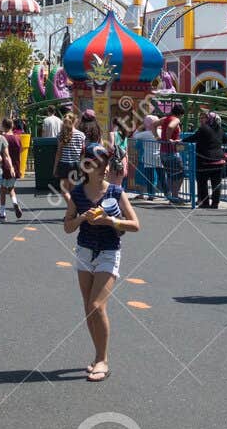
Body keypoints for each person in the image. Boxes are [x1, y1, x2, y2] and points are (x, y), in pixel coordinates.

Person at [62, 145, 140, 382]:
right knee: (88, 308)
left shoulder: (115, 192)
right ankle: (97, 357)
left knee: (97, 305)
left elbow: (135, 224)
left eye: (105, 162)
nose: (104, 167)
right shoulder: (77, 194)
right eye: (98, 163)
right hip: (84, 251)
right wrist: (81, 218)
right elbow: (67, 227)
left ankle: (103, 360)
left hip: (108, 251)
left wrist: (111, 221)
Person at [186, 109, 226, 209]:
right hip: (219, 160)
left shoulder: (204, 129)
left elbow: (193, 138)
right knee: (216, 183)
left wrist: (180, 140)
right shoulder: (220, 129)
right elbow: (226, 140)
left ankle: (205, 202)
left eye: (203, 118)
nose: (201, 120)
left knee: (202, 182)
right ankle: (215, 203)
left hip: (204, 160)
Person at [54, 114, 87, 195]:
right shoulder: (81, 135)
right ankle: (72, 206)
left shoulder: (60, 135)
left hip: (63, 164)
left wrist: (55, 168)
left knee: (64, 191)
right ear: (75, 121)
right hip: (76, 164)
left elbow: (58, 153)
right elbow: (83, 153)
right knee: (73, 191)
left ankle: (70, 206)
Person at [158, 107, 185, 204]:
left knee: (170, 174)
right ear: (180, 114)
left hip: (163, 151)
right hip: (171, 151)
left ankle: (171, 196)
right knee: (180, 173)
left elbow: (153, 125)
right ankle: (175, 196)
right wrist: (170, 140)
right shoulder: (176, 119)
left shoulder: (165, 118)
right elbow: (170, 127)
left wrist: (158, 137)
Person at [2, 119, 25, 218]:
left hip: (4, 165)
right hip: (15, 166)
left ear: (3, 126)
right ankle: (15, 202)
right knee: (11, 188)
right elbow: (20, 153)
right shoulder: (17, 138)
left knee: (3, 189)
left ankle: (2, 211)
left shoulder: (3, 138)